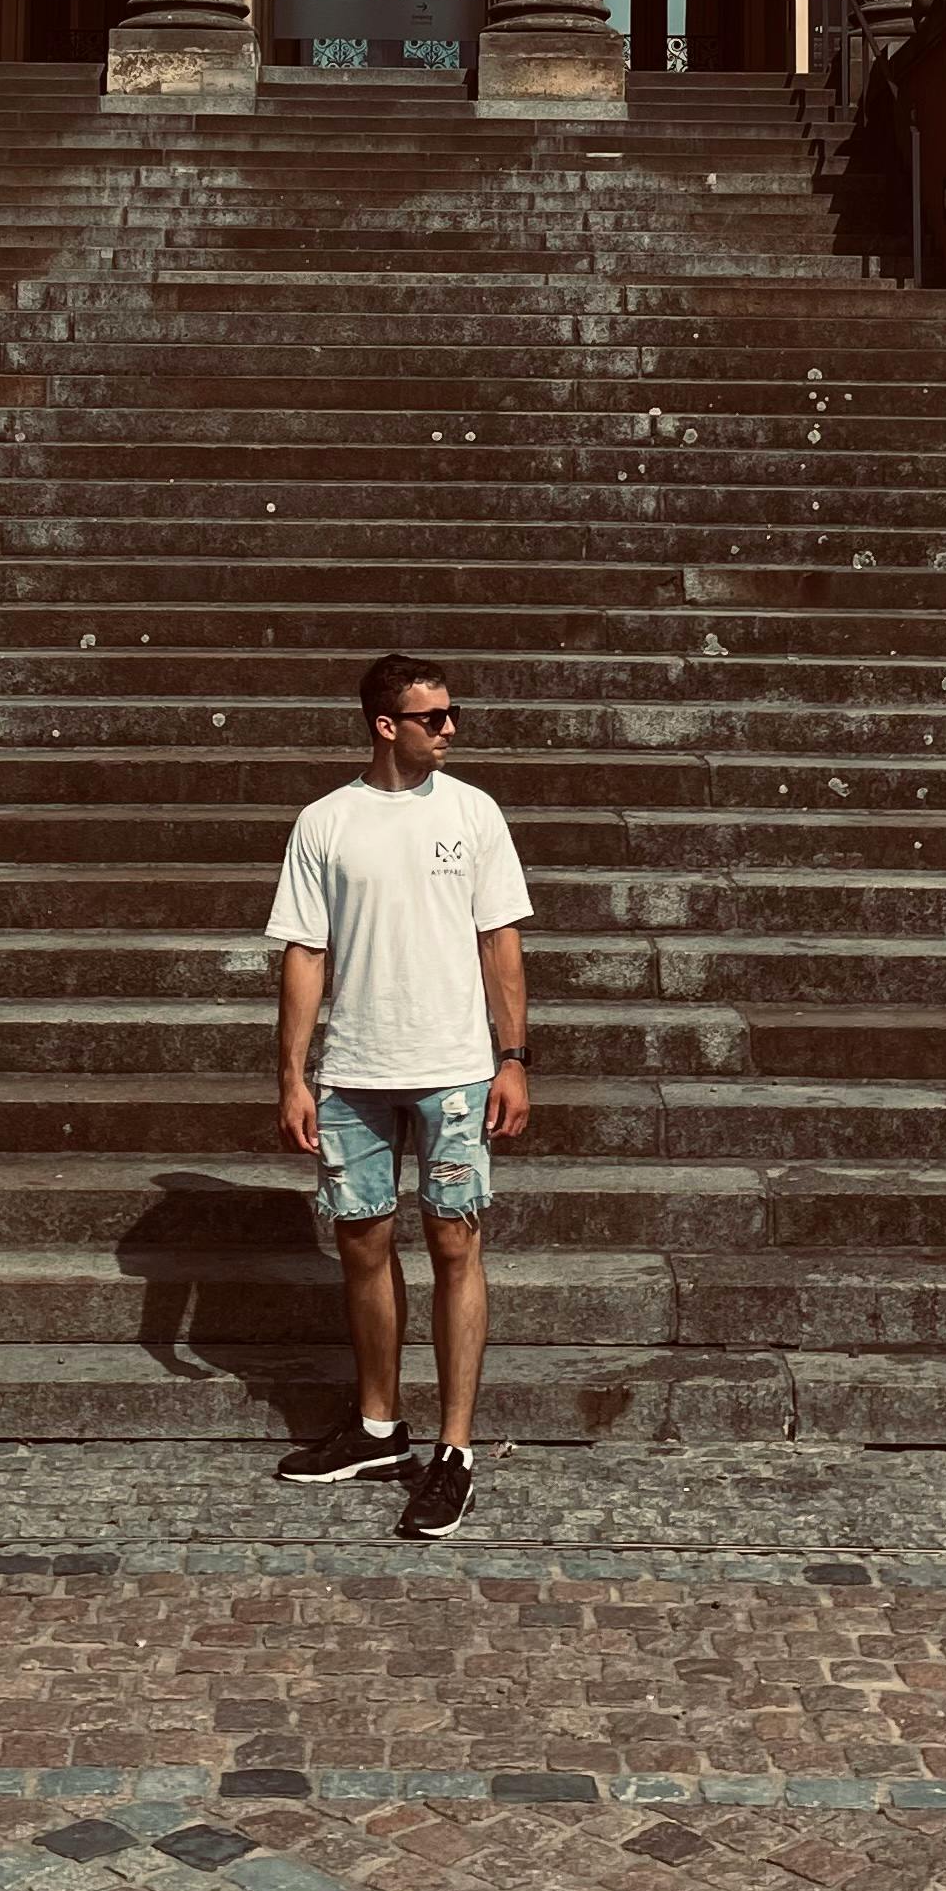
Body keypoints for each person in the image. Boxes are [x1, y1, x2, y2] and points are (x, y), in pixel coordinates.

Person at [266, 653, 530, 1540]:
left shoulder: (473, 812)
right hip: (355, 1072)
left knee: (455, 1242)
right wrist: (293, 1073)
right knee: (361, 1245)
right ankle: (379, 1429)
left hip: (455, 1067)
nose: (452, 728)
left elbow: (501, 941)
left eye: (452, 714)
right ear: (388, 726)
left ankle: (455, 1451)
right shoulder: (325, 822)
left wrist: (514, 1057)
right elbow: (304, 952)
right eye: (435, 717)